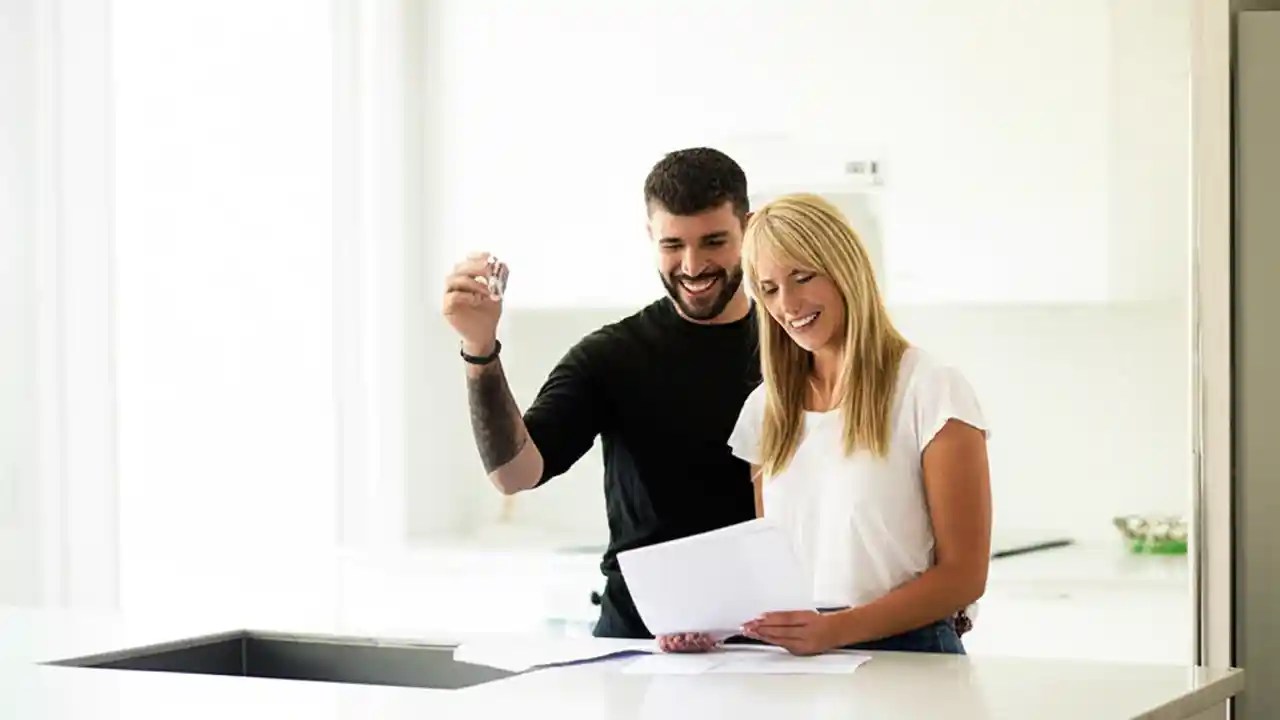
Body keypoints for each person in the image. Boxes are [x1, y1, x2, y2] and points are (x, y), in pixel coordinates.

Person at [440, 147, 761, 639]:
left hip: (766, 641)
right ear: (650, 236)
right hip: (639, 643)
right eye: (672, 244)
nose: (692, 265)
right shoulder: (613, 355)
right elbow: (513, 473)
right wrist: (479, 349)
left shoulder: (793, 349)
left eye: (713, 241)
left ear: (748, 229)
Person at [723, 193, 992, 655]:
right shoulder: (766, 409)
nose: (788, 304)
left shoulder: (931, 390)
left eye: (802, 277)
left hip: (910, 653)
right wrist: (706, 629)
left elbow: (964, 576)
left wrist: (837, 630)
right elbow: (779, 571)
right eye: (769, 289)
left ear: (844, 269)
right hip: (808, 661)